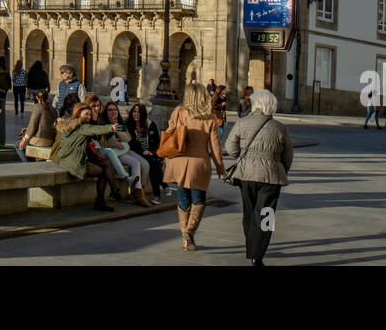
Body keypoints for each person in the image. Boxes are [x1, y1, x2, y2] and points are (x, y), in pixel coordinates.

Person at [223, 88, 293, 266]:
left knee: (249, 212)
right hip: (271, 178)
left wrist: (245, 158)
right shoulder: (280, 128)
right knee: (266, 215)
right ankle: (258, 254)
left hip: (246, 175)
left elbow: (230, 148)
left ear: (255, 104)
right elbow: (288, 156)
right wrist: (280, 169)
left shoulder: (242, 123)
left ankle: (251, 246)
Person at [164, 82, 226, 250]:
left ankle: (185, 237)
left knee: (183, 199)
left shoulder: (178, 112)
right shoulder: (210, 117)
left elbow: (170, 134)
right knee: (198, 200)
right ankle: (190, 231)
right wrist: (220, 168)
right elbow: (215, 148)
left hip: (179, 161)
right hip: (199, 163)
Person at [48, 102, 124, 212]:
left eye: (89, 114)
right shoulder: (83, 126)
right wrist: (111, 128)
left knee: (106, 162)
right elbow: (95, 130)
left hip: (67, 157)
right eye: (86, 114)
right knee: (103, 173)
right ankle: (102, 200)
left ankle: (114, 190)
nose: (88, 117)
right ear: (79, 114)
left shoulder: (69, 122)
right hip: (73, 162)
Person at [100, 100, 153, 207]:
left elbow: (127, 138)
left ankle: (141, 191)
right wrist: (115, 142)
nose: (112, 112)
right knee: (135, 164)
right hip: (116, 153)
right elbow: (103, 143)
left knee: (145, 164)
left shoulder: (120, 123)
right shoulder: (102, 124)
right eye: (110, 110)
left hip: (125, 149)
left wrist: (116, 127)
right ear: (105, 112)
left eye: (114, 110)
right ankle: (139, 196)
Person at [125, 102, 165, 202]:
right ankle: (158, 190)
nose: (136, 114)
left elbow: (157, 141)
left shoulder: (150, 124)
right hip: (136, 152)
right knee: (151, 162)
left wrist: (151, 151)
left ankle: (151, 193)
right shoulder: (128, 125)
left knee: (153, 160)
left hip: (149, 153)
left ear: (143, 114)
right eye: (134, 111)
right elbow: (132, 144)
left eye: (139, 112)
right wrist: (143, 152)